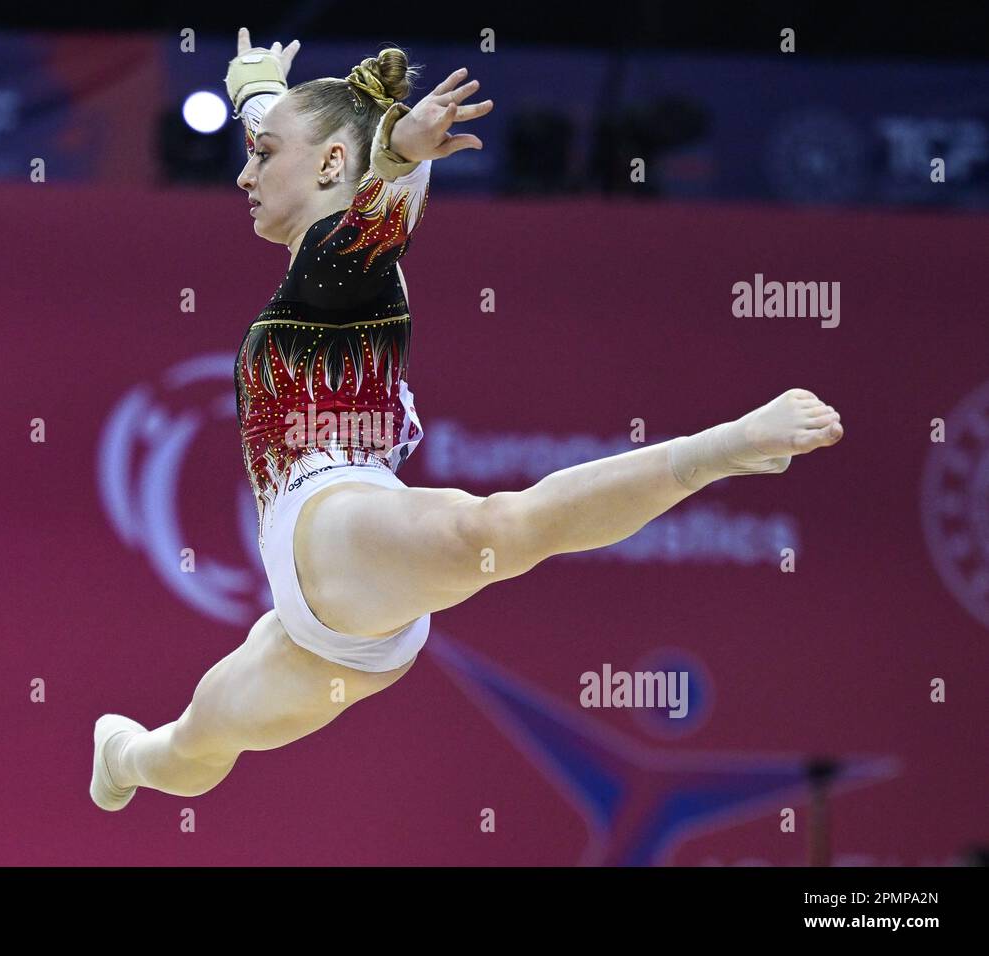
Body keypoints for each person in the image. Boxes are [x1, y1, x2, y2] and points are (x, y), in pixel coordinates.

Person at [91, 29, 844, 810]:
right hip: (336, 608)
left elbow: (374, 210)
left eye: (261, 152)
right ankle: (124, 752)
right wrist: (256, 93)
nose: (243, 172)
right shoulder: (332, 240)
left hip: (349, 533)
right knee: (191, 750)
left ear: (330, 166)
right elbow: (342, 167)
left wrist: (398, 152)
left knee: (493, 533)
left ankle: (725, 448)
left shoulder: (344, 258)